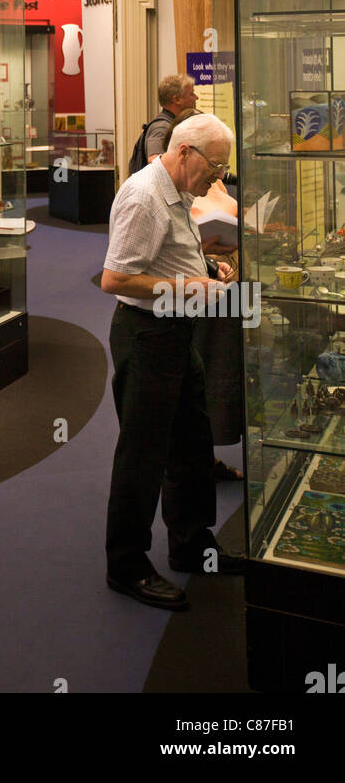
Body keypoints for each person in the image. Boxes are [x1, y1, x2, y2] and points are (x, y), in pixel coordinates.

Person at [101, 113, 245, 610]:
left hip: (178, 333)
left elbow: (164, 254)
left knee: (191, 441)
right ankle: (126, 565)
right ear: (185, 152)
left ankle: (191, 544)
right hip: (147, 335)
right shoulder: (143, 195)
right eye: (215, 165)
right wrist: (189, 287)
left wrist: (204, 264)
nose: (218, 177)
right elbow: (115, 280)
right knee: (142, 453)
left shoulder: (179, 189)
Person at [162, 109, 244, 483]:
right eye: (214, 160)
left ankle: (210, 454)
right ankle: (193, 463)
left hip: (228, 284)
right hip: (195, 291)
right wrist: (204, 251)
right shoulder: (167, 192)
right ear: (186, 151)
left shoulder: (215, 183)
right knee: (202, 373)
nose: (219, 169)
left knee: (225, 370)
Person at [144, 73, 198, 163]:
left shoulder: (173, 124)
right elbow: (154, 161)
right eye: (191, 94)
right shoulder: (161, 127)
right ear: (176, 100)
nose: (196, 97)